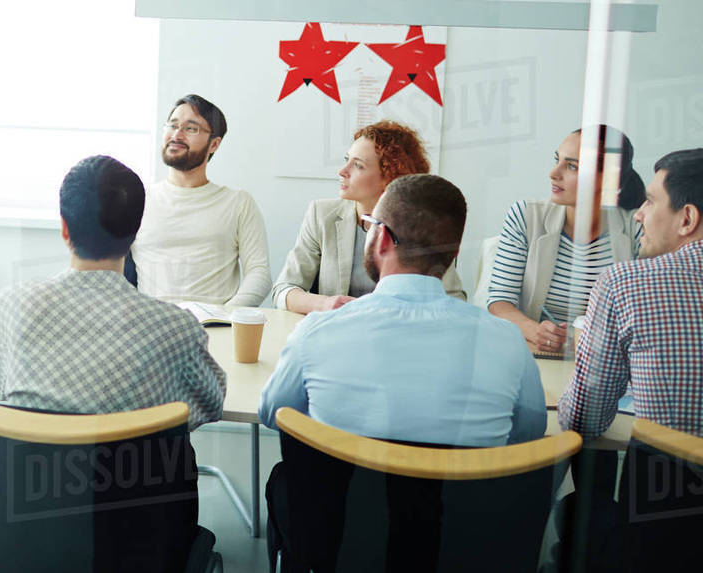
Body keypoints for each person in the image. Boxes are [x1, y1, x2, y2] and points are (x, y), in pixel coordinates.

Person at [258, 173, 545, 445]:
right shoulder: (508, 344)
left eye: (370, 223)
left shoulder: (315, 333)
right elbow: (528, 434)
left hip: (340, 496)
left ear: (382, 239)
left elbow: (273, 414)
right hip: (463, 497)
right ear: (455, 252)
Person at [0, 155, 226, 430]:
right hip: (138, 471)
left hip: (32, 469)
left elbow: (0, 391)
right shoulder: (176, 328)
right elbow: (211, 403)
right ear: (136, 233)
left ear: (64, 228)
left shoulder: (12, 305)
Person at [559, 148, 703, 440]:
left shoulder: (625, 284)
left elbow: (584, 420)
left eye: (650, 201)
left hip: (667, 480)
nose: (638, 214)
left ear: (687, 219)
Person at [271, 121, 465, 314]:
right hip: (335, 332)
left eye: (358, 165)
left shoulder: (420, 225)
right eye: (347, 159)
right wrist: (325, 304)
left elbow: (454, 299)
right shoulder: (322, 215)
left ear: (390, 176)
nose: (342, 171)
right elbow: (283, 290)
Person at [487, 125, 643, 356]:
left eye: (572, 166)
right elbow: (499, 302)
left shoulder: (636, 228)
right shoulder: (526, 216)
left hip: (606, 361)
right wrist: (535, 330)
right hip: (535, 353)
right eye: (557, 160)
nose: (553, 173)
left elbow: (647, 315)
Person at [129, 94, 271, 307]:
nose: (177, 134)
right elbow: (112, 269)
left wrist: (224, 316)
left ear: (214, 144)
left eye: (191, 128)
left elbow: (259, 274)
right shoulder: (139, 199)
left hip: (215, 326)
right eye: (172, 125)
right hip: (152, 326)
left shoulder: (238, 202)